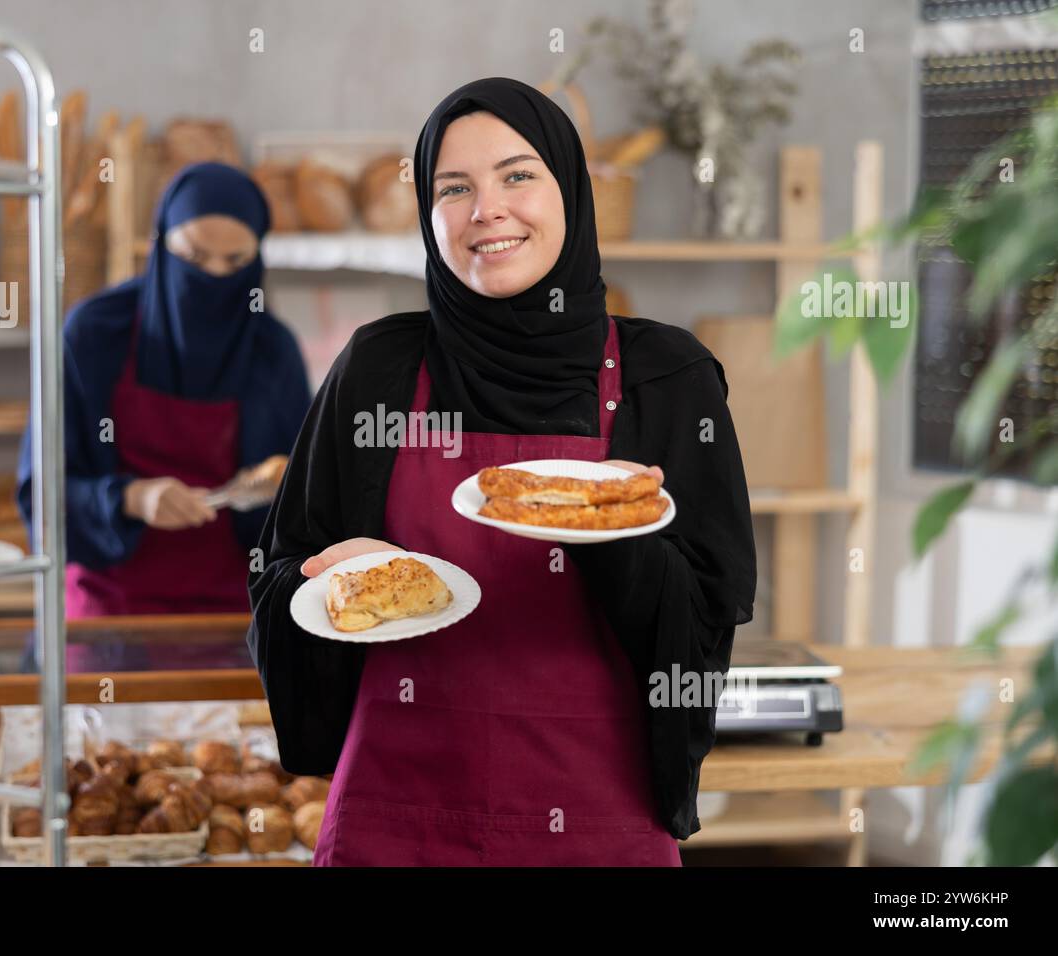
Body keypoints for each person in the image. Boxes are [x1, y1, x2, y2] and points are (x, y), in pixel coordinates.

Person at [246, 78, 757, 866]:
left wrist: (616, 533)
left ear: (570, 190)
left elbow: (706, 619)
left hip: (596, 822)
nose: (487, 209)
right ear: (428, 213)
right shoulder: (377, 367)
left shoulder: (667, 376)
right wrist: (323, 583)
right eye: (455, 188)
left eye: (518, 175)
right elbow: (281, 577)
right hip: (397, 817)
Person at [16, 162, 311, 645]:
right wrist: (131, 498)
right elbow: (40, 497)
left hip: (235, 620)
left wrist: (272, 493)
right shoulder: (93, 334)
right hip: (109, 611)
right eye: (194, 259)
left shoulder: (273, 352)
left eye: (235, 263)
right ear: (159, 245)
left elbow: (302, 506)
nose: (213, 278)